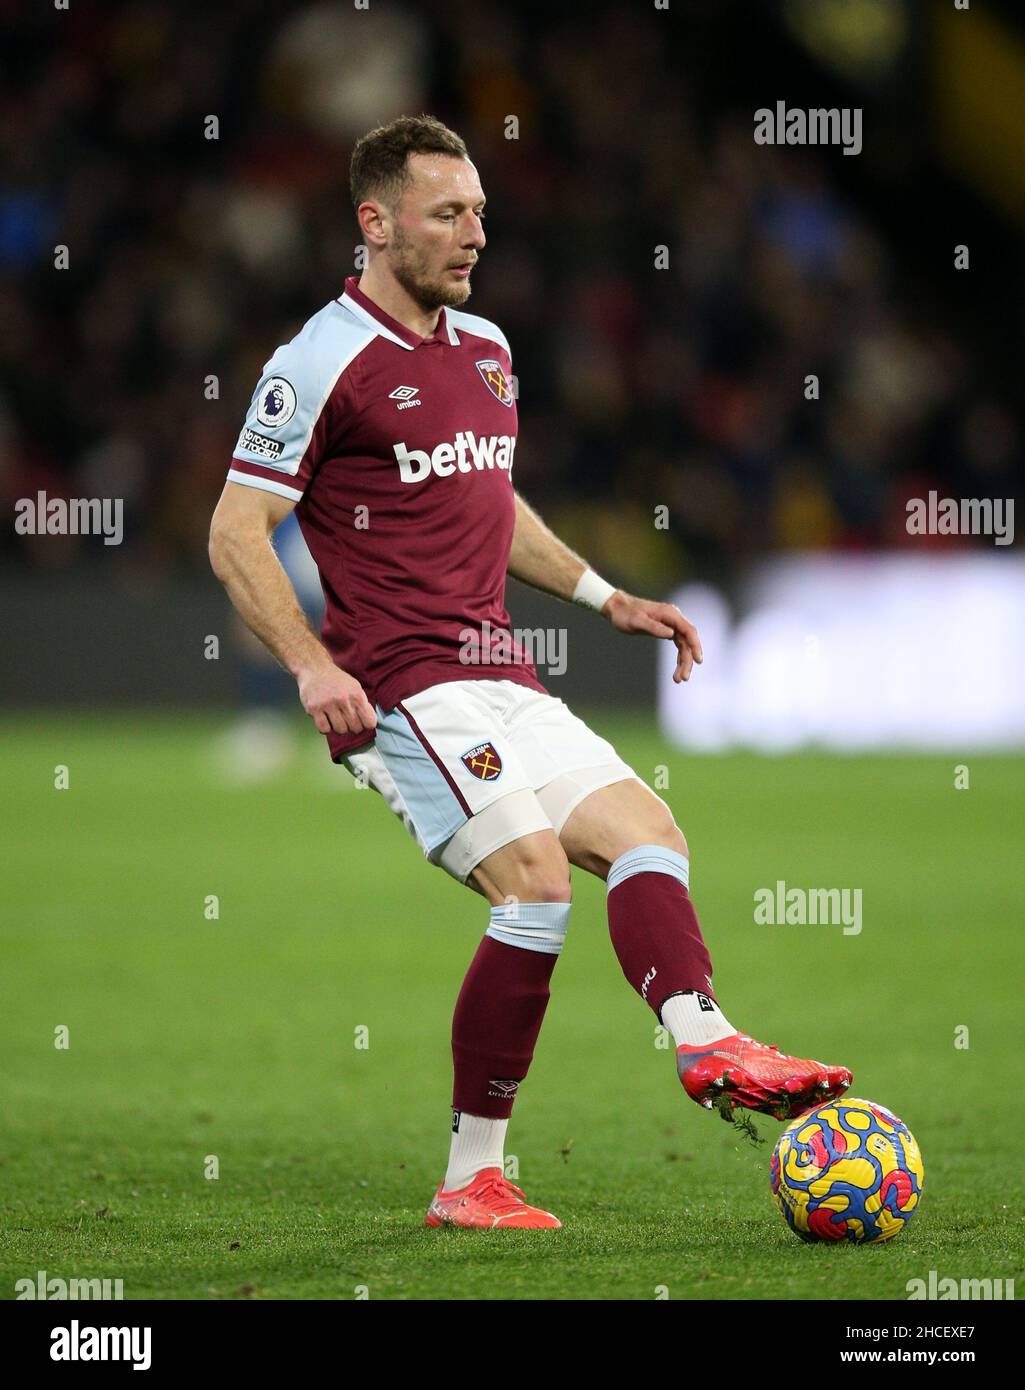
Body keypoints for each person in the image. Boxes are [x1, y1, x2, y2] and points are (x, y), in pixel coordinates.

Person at [208, 115, 851, 1231]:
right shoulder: (317, 361)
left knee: (648, 832)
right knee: (537, 884)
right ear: (375, 221)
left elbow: (488, 504)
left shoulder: (487, 350)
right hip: (399, 683)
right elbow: (234, 530)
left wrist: (608, 598)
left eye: (481, 214)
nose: (473, 235)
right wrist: (311, 667)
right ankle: (471, 1178)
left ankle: (704, 1044)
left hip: (499, 665)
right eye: (447, 213)